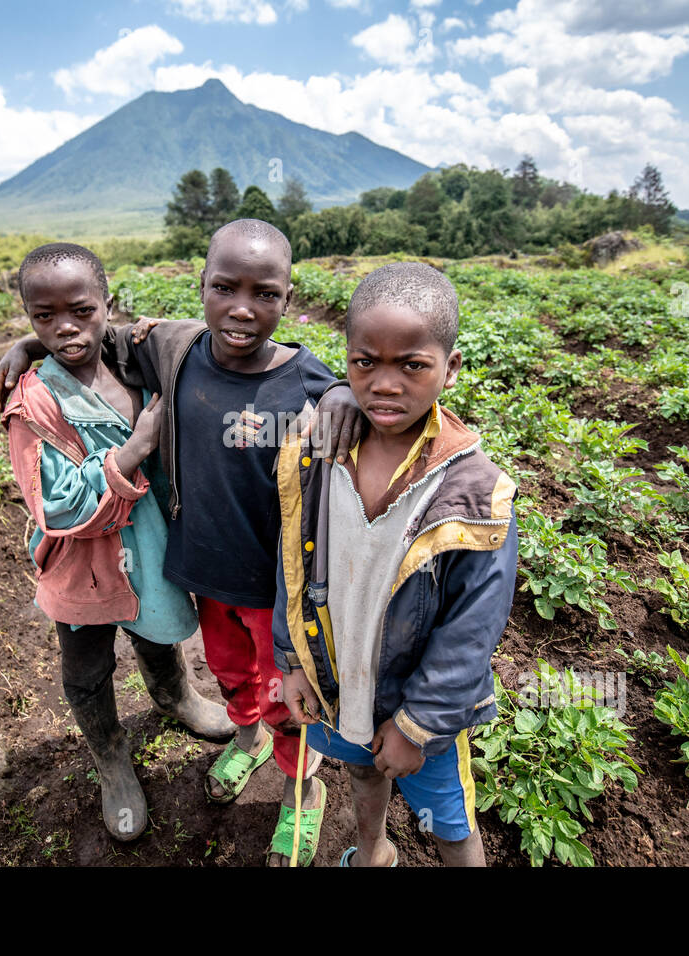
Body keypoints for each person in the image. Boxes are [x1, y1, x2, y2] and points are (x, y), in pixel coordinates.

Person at [0, 220, 363, 866]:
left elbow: (350, 402)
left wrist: (340, 395)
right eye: (225, 287)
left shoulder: (305, 379)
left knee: (288, 695)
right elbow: (91, 330)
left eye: (265, 294)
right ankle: (243, 739)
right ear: (201, 287)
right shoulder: (179, 350)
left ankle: (303, 791)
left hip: (275, 591)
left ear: (289, 294)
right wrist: (28, 344)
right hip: (204, 576)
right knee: (231, 674)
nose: (242, 309)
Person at [274, 262, 520, 867]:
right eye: (365, 363)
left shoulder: (476, 496)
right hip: (338, 679)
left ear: (451, 367)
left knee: (450, 823)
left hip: (418, 701)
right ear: (348, 358)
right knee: (361, 772)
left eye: (412, 365)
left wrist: (418, 724)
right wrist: (294, 662)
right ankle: (373, 851)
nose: (386, 384)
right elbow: (290, 568)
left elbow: (472, 629)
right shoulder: (314, 455)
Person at [0, 241, 234, 843]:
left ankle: (175, 697)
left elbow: (208, 333)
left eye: (80, 309)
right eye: (42, 317)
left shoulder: (133, 357)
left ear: (108, 302)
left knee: (155, 630)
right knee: (85, 665)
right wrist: (133, 449)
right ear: (26, 314)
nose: (64, 327)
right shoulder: (34, 402)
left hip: (149, 545)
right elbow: (56, 505)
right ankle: (111, 761)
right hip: (84, 565)